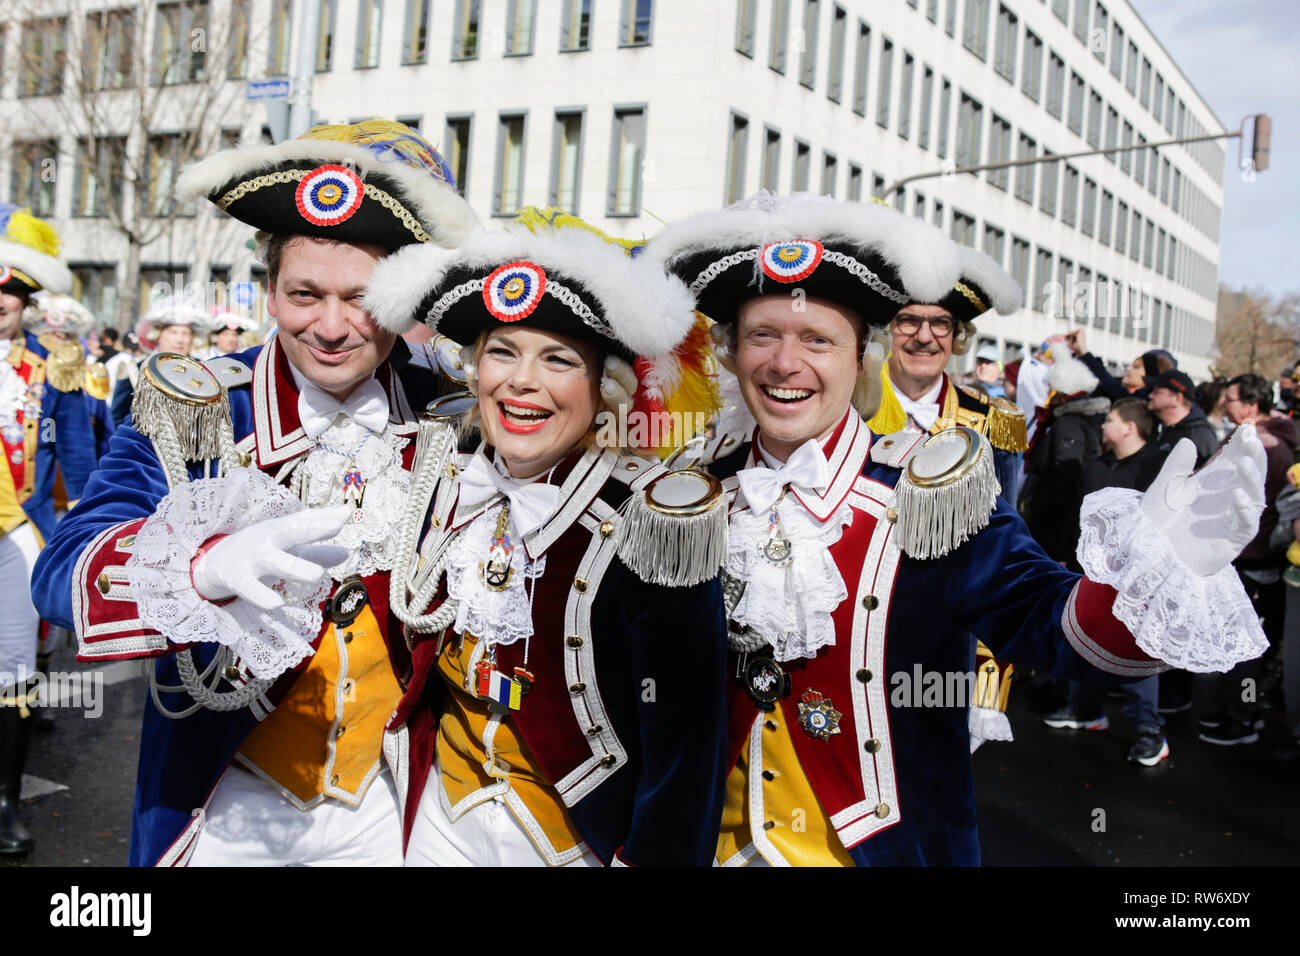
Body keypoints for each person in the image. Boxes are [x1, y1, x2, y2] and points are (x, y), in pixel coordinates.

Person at [644, 191, 1268, 866]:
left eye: (817, 339)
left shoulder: (932, 492)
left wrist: (1155, 572)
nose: (785, 363)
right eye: (762, 336)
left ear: (861, 360)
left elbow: (1052, 626)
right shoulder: (687, 498)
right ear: (734, 355)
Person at [31, 119, 478, 866]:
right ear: (268, 291)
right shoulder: (202, 407)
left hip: (392, 806)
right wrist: (198, 566)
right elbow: (62, 569)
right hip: (228, 800)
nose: (330, 327)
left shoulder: (451, 413)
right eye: (305, 293)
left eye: (361, 299)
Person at [362, 210, 730, 866]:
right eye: (503, 351)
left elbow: (685, 750)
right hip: (435, 825)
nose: (522, 381)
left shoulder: (650, 526)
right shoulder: (436, 486)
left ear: (602, 389)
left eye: (557, 360)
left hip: (576, 844)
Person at [0, 206, 96, 857]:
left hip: (18, 535)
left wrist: (90, 520)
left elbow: (78, 456)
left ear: (25, 302)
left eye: (6, 295)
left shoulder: (53, 366)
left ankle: (5, 800)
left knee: (11, 673)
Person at [1044, 397, 1171, 765]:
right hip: (1093, 572)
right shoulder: (1097, 465)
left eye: (1110, 419)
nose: (1102, 425)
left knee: (1134, 652)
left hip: (1138, 579)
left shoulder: (1156, 467)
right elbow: (1079, 516)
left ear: (1130, 427)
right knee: (1087, 641)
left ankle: (1150, 732)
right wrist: (1067, 552)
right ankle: (1086, 711)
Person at [1195, 374, 1297, 746]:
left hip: (1254, 564)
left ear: (1253, 405)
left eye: (1232, 399)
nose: (1224, 404)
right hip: (1233, 559)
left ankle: (1245, 716)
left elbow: (1220, 489)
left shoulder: (1266, 445)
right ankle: (1233, 712)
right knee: (1232, 646)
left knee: (1247, 651)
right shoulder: (1246, 438)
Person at [1022, 352, 1109, 565]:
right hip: (1061, 520)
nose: (1048, 392)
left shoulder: (1068, 423)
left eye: (1052, 387)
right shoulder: (1077, 419)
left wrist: (1043, 513)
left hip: (1056, 524)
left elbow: (1065, 475)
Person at [108, 293, 206, 428]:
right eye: (173, 332)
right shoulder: (136, 369)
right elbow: (118, 417)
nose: (180, 339)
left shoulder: (203, 368)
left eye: (185, 333)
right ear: (158, 335)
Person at [1147, 368, 1219, 467]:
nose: (1150, 395)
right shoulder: (1159, 425)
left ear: (1177, 398)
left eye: (1157, 392)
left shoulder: (1199, 435)